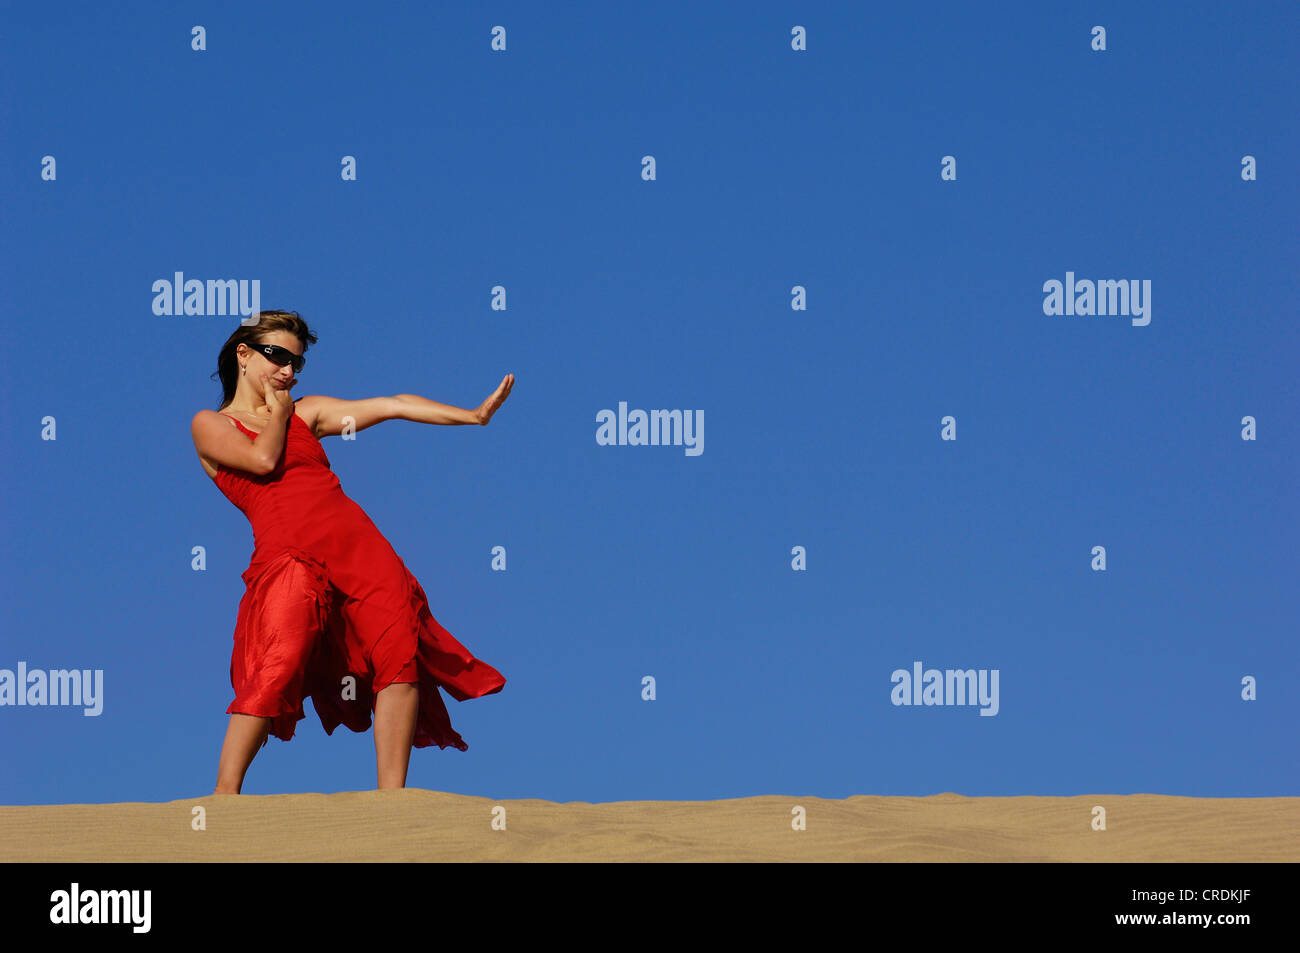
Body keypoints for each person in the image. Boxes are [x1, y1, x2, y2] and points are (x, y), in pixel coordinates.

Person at [191, 309, 512, 794]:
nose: (287, 372)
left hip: (357, 545)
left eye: (296, 363)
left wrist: (471, 416)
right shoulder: (211, 424)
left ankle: (391, 801)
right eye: (277, 356)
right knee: (279, 662)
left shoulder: (308, 413)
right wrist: (278, 416)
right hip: (289, 557)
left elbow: (393, 404)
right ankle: (223, 798)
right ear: (243, 353)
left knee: (398, 651)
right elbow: (262, 459)